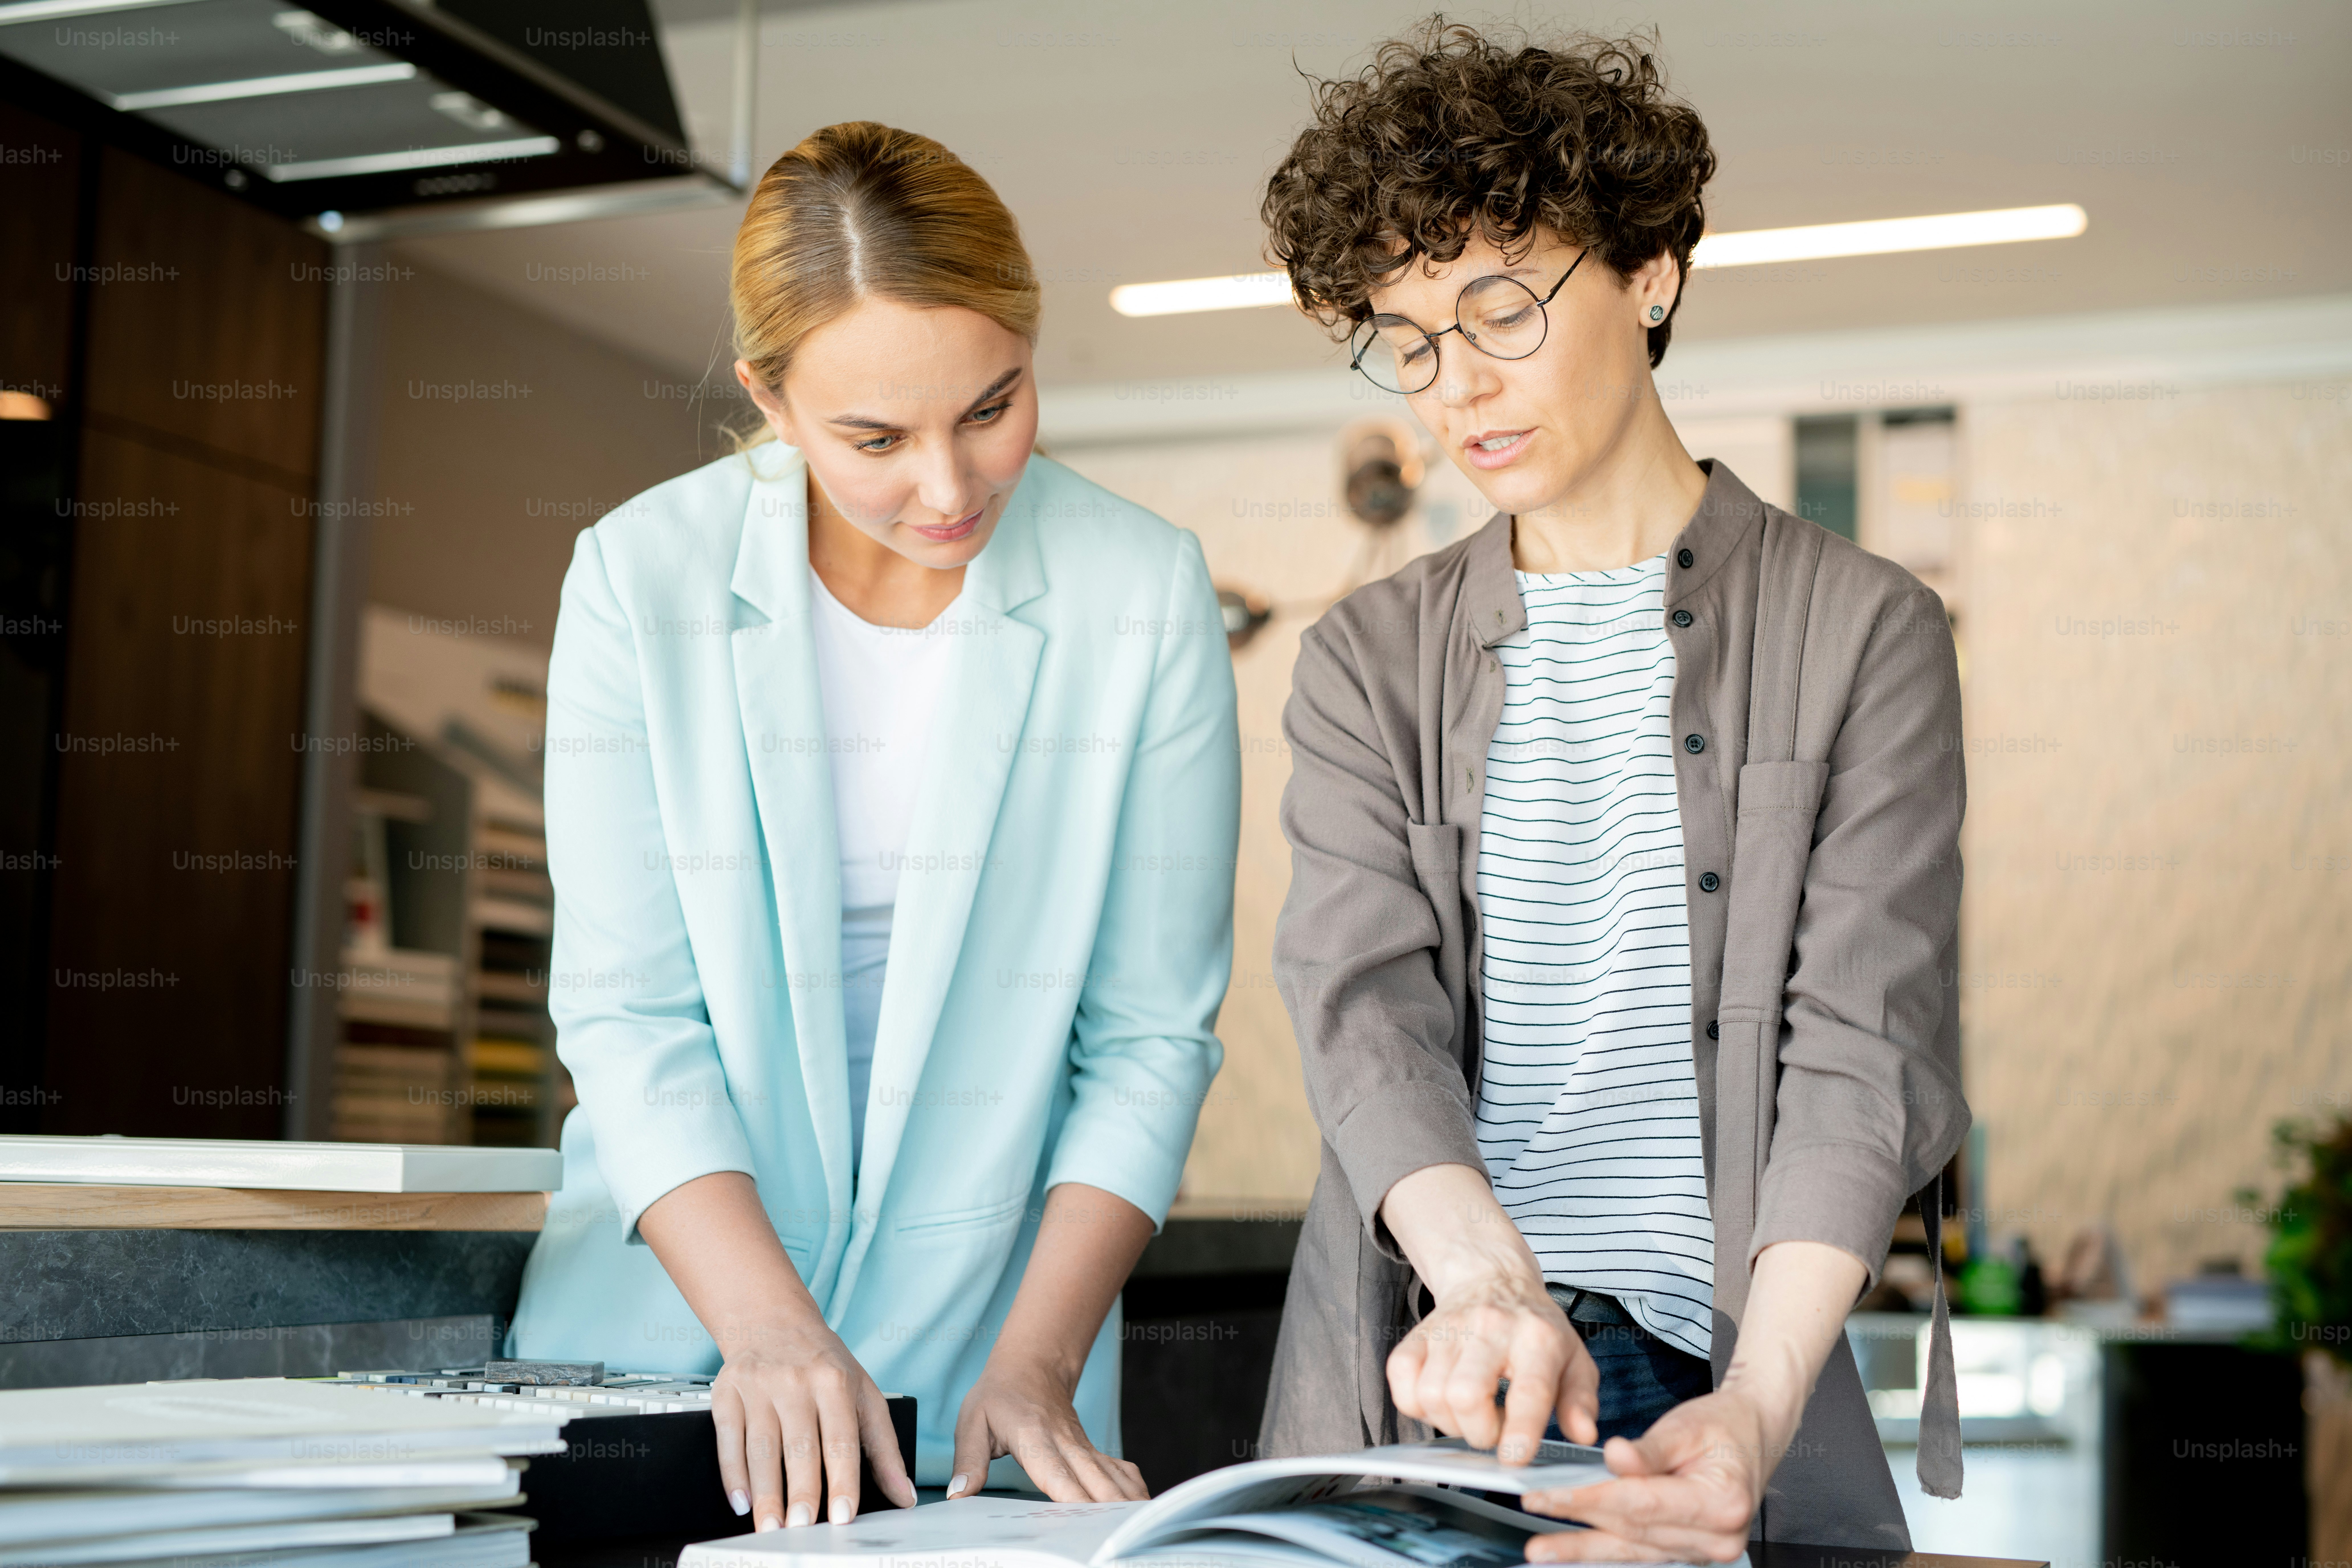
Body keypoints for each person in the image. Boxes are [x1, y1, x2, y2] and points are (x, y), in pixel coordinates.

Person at [1255, 23, 1969, 1560]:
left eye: (1502, 307)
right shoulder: (1368, 659)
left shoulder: (1865, 631)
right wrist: (1487, 1283)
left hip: (1719, 1380)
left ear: (1651, 273)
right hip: (1438, 1361)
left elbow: (1865, 1050)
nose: (1458, 385)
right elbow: (1361, 1007)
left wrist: (1759, 1412)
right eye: (1413, 335)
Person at [505, 121, 1239, 1533]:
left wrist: (1038, 1359)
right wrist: (770, 1330)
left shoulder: (1139, 592)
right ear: (772, 402)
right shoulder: (638, 578)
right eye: (876, 439)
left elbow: (1150, 1036)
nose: (952, 489)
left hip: (993, 1370)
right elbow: (630, 1015)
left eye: (993, 406)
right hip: (663, 1335)